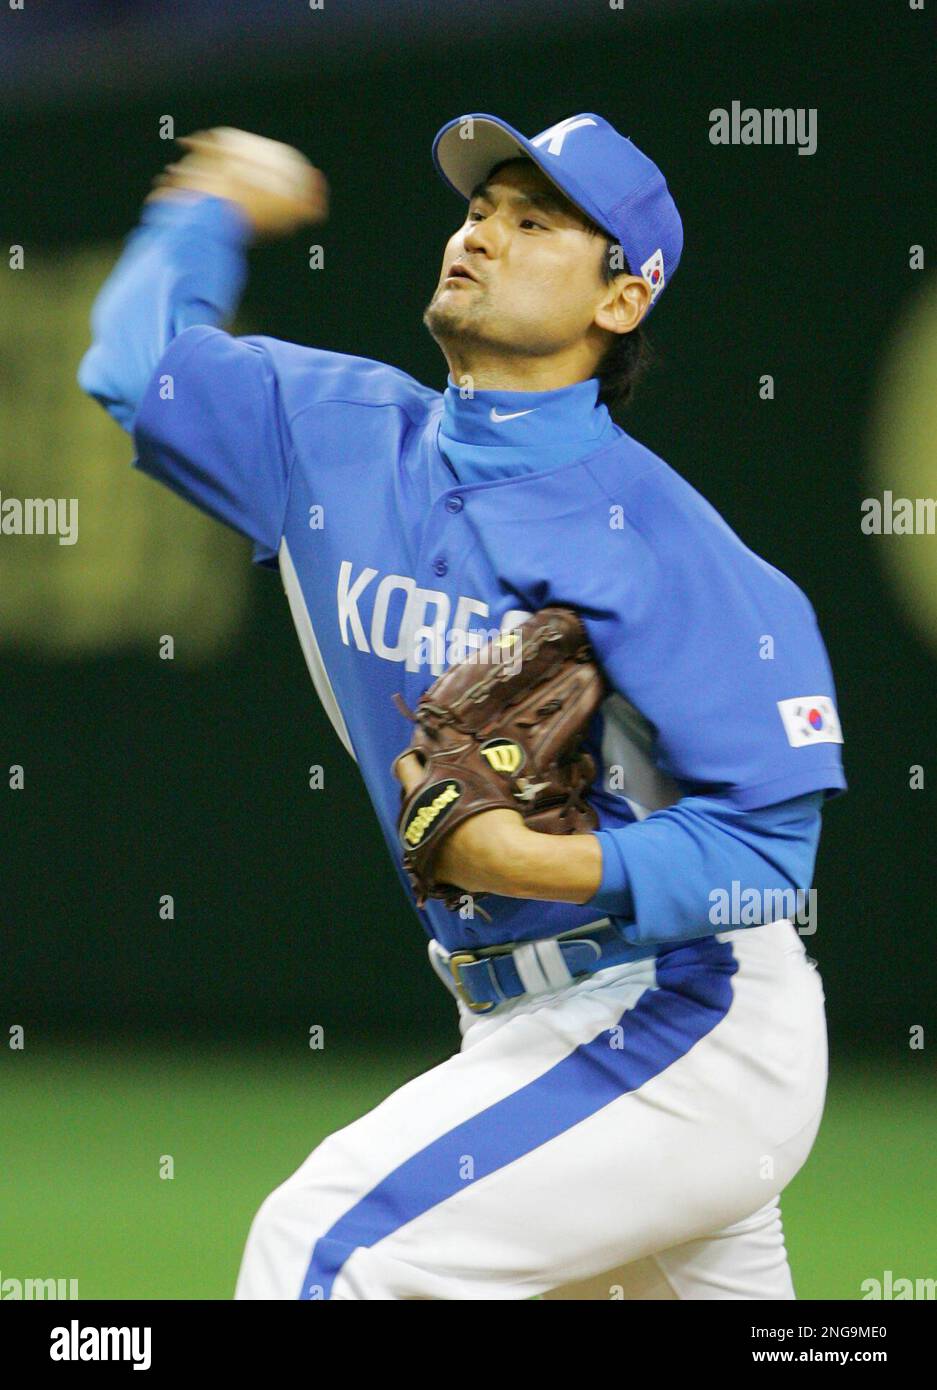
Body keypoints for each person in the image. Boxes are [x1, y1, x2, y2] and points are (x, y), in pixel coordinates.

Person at [78, 113, 846, 1300]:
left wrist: (525, 861)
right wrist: (208, 207)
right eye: (480, 209)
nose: (481, 235)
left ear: (622, 301)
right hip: (513, 1021)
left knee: (325, 1252)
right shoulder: (330, 434)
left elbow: (767, 860)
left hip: (684, 1021)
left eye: (535, 222)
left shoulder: (668, 547)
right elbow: (137, 369)